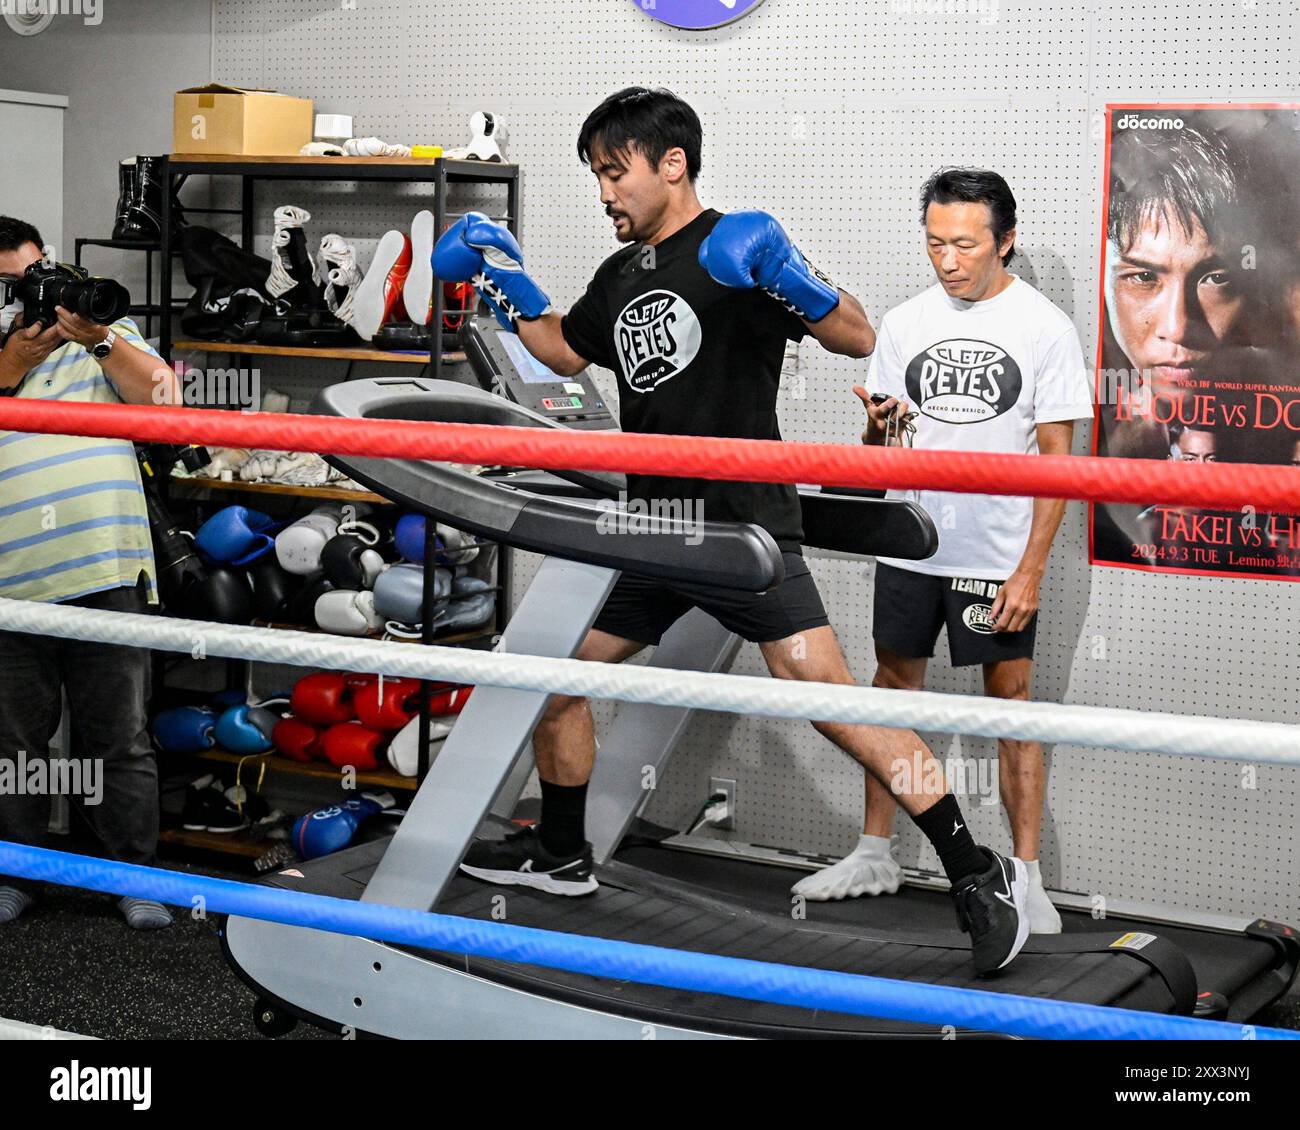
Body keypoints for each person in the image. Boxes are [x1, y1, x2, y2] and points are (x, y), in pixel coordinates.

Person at [435, 88, 1030, 973]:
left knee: (838, 709)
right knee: (554, 678)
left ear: (670, 163)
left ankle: (977, 875)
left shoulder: (736, 246)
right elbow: (562, 351)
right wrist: (505, 277)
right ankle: (561, 853)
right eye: (597, 175)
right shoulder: (624, 272)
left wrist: (783, 270)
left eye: (613, 171)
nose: (604, 192)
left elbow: (857, 333)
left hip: (742, 529)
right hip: (656, 525)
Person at [793, 169, 1092, 935]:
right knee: (889, 690)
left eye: (964, 244)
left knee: (1011, 700)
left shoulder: (1045, 328)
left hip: (994, 555)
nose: (948, 259)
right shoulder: (903, 322)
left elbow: (1059, 460)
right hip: (912, 539)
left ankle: (1025, 878)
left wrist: (1029, 569)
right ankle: (874, 849)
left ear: (1006, 240)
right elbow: (884, 449)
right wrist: (877, 431)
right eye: (934, 242)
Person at [0, 216, 180, 930]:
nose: (38, 293)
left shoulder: (98, 332)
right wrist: (14, 358)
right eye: (17, 284)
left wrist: (99, 337)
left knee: (119, 736)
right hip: (9, 581)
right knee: (13, 743)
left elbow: (165, 400)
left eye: (40, 272)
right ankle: (18, 872)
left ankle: (132, 876)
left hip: (105, 567)